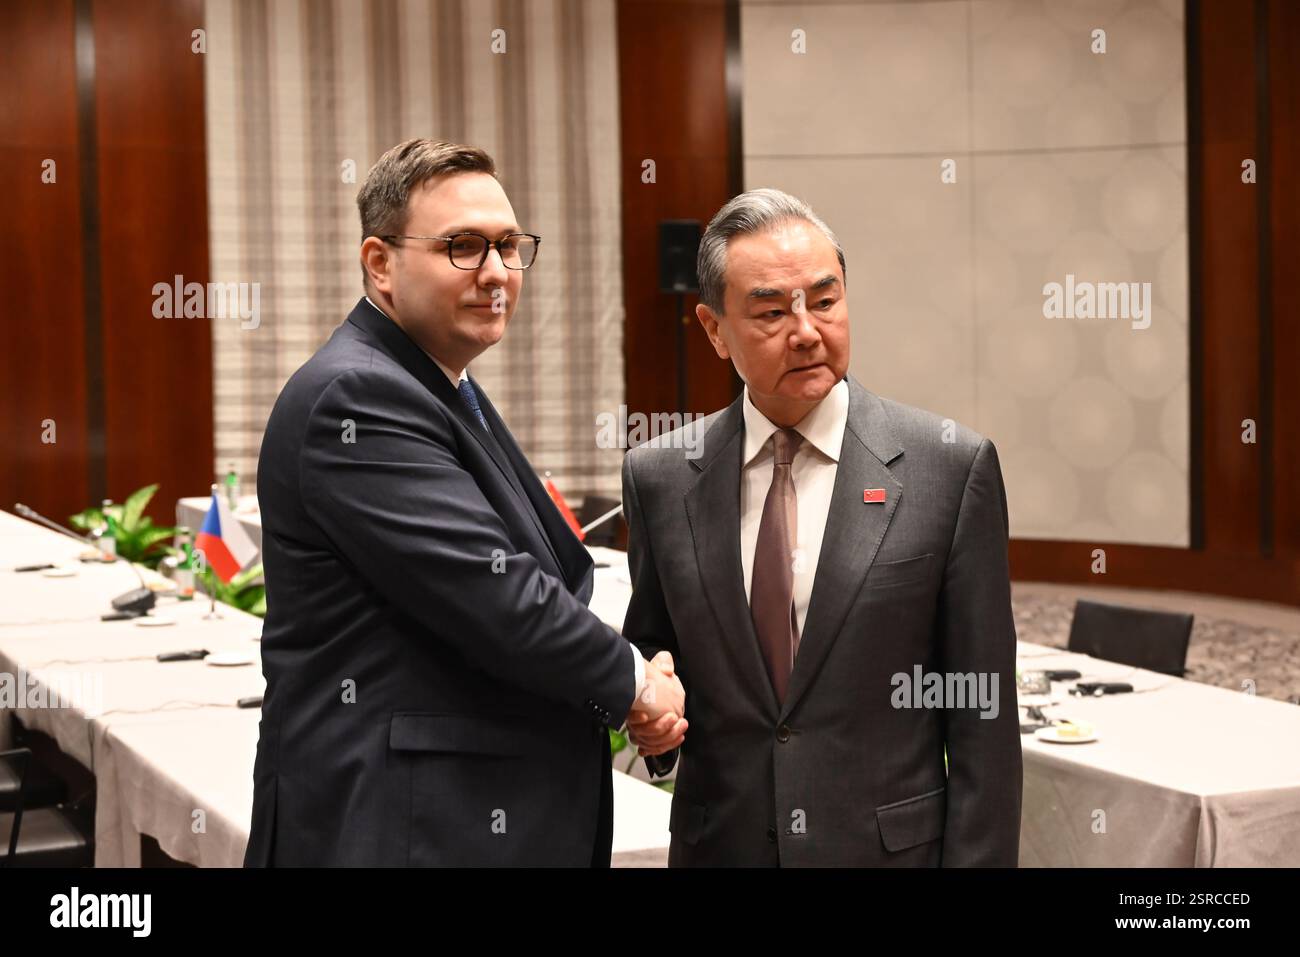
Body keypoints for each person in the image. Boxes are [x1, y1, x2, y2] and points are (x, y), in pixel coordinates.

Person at [245, 139, 684, 866]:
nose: (497, 273)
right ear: (380, 264)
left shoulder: (436, 384)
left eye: (509, 247)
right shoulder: (359, 396)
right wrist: (637, 684)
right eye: (463, 247)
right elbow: (499, 594)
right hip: (405, 829)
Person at [621, 188, 1022, 866]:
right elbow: (654, 649)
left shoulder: (948, 469)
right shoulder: (661, 477)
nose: (806, 330)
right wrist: (655, 716)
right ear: (715, 330)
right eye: (772, 311)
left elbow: (984, 719)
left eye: (825, 300)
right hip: (723, 846)